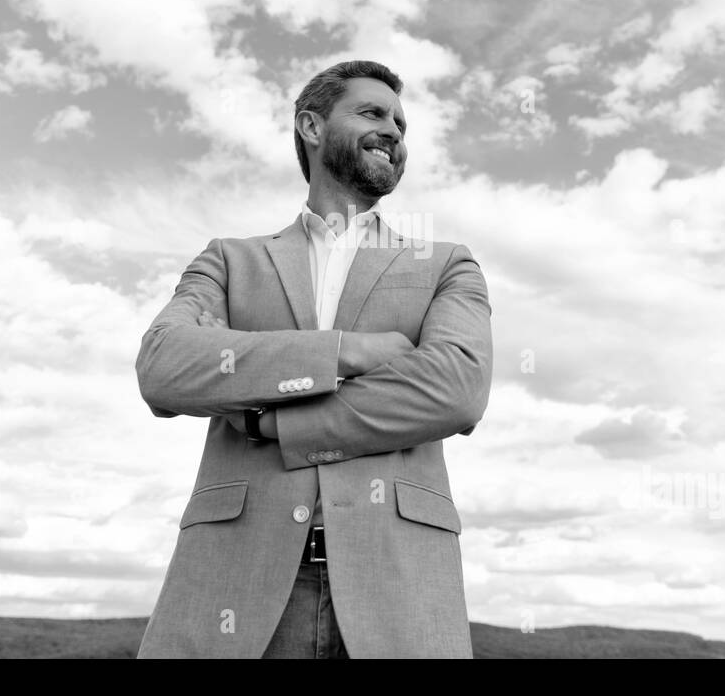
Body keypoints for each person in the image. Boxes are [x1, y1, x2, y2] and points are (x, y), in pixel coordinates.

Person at [135, 60, 493, 658]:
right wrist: (344, 351)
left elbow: (455, 390)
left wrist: (270, 417)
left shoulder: (446, 264)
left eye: (402, 124)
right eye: (373, 113)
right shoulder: (229, 260)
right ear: (311, 125)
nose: (395, 132)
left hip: (397, 586)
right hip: (236, 578)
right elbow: (165, 366)